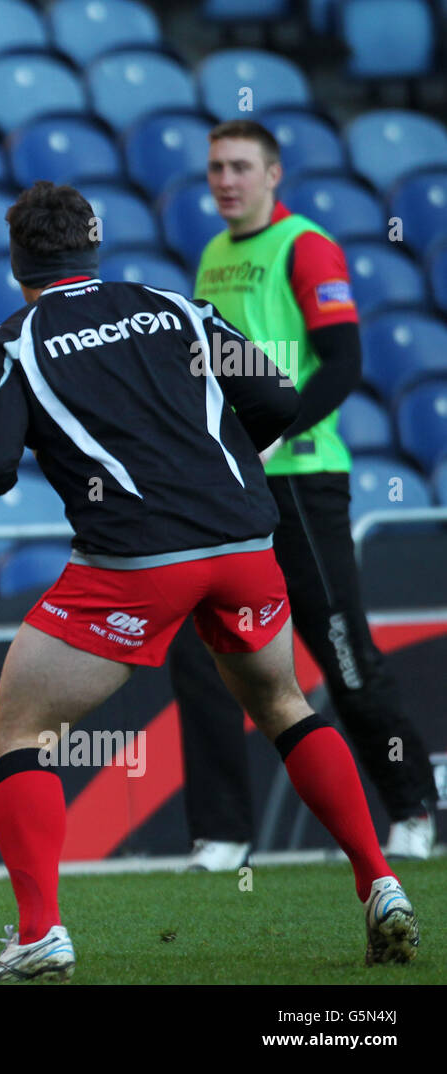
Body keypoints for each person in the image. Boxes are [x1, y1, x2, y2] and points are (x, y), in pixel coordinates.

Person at [0, 181, 418, 984]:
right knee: (283, 705)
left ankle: (40, 933)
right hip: (244, 541)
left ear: (18, 264)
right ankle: (379, 880)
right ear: (94, 246)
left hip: (137, 561)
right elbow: (275, 394)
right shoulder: (177, 307)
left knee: (14, 732)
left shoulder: (17, 340)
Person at [173, 120, 437, 872]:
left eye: (240, 167)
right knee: (207, 656)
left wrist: (278, 436)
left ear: (274, 174)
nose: (225, 179)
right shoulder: (214, 255)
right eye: (216, 167)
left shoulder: (306, 245)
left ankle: (413, 808)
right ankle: (222, 835)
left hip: (304, 481)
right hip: (234, 487)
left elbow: (344, 362)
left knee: (342, 650)